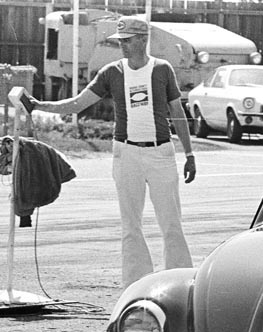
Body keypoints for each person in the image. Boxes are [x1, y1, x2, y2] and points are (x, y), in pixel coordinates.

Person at [30, 16, 196, 287]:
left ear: (144, 40)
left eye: (128, 41)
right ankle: (136, 285)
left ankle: (180, 283)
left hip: (160, 152)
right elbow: (77, 103)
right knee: (131, 226)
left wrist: (189, 154)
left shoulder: (162, 69)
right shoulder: (111, 72)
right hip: (126, 153)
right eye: (121, 42)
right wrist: (39, 105)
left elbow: (177, 113)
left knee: (171, 223)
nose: (123, 47)